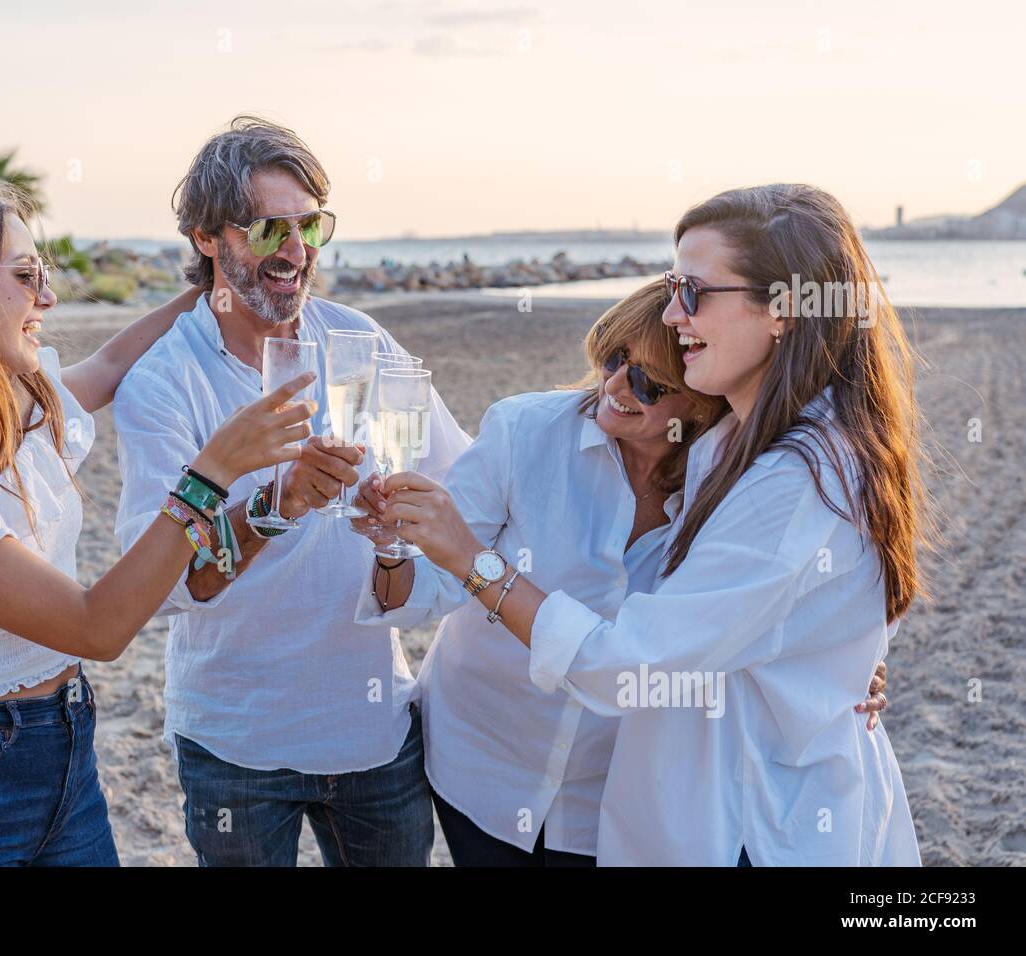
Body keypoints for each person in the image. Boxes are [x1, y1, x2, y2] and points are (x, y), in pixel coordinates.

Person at [371, 184, 924, 866]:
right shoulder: (732, 443)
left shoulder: (796, 477)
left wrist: (475, 562)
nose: (671, 313)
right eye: (671, 286)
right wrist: (841, 664)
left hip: (749, 827)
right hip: (506, 773)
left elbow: (626, 663)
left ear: (783, 310)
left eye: (694, 292)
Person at [0, 180, 314, 866]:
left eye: (43, 275)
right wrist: (212, 471)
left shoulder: (16, 413)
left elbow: (109, 363)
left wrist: (224, 278)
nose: (47, 298)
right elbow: (96, 626)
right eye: (25, 277)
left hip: (66, 755)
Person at [112, 116, 470, 866]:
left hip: (374, 729)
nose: (298, 251)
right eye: (271, 229)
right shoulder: (163, 383)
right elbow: (169, 586)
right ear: (209, 237)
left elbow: (461, 489)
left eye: (312, 226)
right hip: (237, 743)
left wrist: (394, 539)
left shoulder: (363, 343)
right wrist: (277, 505)